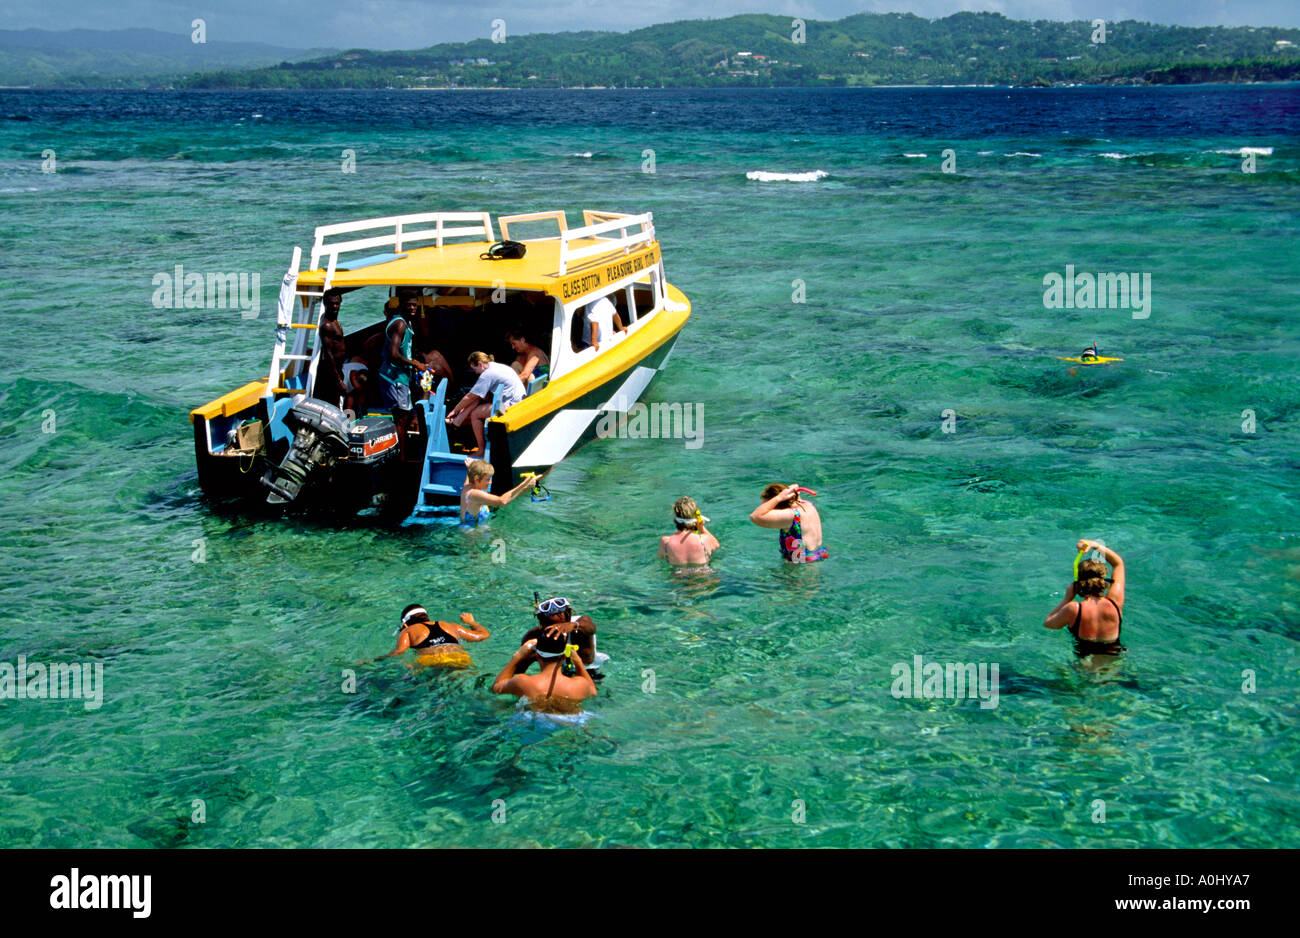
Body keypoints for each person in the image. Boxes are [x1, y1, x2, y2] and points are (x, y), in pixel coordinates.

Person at [1044, 540, 1127, 657]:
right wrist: (1095, 545)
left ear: (1078, 583)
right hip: (1114, 655)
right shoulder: (1115, 601)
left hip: (1086, 660)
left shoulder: (1073, 609)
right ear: (1103, 580)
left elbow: (1048, 623)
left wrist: (1067, 598)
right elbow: (1118, 564)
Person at [491, 625, 597, 713]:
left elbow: (496, 687)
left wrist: (517, 656)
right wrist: (578, 662)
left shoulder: (522, 682)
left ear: (537, 656)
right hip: (572, 721)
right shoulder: (580, 684)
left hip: (534, 721)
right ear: (565, 656)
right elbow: (593, 691)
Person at [378, 294, 434, 457]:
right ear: (402, 305)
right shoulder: (400, 325)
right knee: (401, 419)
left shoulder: (406, 323)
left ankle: (402, 454)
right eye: (409, 305)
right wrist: (415, 364)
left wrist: (415, 363)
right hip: (394, 378)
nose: (412, 308)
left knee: (405, 415)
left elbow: (404, 351)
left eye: (415, 305)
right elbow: (393, 353)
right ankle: (400, 458)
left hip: (401, 376)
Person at [445, 351, 526, 458]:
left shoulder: (488, 374)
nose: (476, 373)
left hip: (509, 407)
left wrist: (455, 410)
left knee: (475, 414)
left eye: (475, 369)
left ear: (480, 364)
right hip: (518, 402)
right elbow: (479, 396)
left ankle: (481, 449)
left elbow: (470, 396)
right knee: (479, 397)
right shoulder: (497, 366)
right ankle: (458, 421)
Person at [373, 604, 491, 668]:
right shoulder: (451, 626)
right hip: (460, 658)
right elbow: (483, 635)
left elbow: (399, 652)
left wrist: (377, 659)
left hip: (430, 662)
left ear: (405, 623)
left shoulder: (408, 631)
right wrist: (471, 622)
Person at [518, 596, 605, 681]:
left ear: (569, 616)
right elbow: (520, 667)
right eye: (551, 627)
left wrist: (574, 625)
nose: (558, 631)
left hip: (589, 672)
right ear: (542, 624)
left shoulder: (580, 624)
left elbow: (591, 627)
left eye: (561, 627)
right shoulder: (534, 635)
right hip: (557, 673)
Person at [749, 483, 828, 563]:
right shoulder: (807, 505)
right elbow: (795, 494)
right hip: (819, 555)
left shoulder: (790, 515)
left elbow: (755, 516)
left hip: (801, 567)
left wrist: (778, 498)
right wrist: (791, 490)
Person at [460, 459, 544, 527]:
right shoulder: (475, 495)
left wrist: (472, 466)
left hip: (469, 530)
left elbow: (471, 473)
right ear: (476, 479)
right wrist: (524, 484)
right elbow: (502, 501)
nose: (490, 482)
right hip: (474, 537)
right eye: (487, 479)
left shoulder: (466, 487)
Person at [659, 496, 720, 567]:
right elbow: (716, 545)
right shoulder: (704, 540)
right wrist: (701, 528)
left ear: (675, 520)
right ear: (697, 519)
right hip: (704, 574)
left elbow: (661, 559)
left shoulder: (665, 542)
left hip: (678, 576)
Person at [317, 288, 348, 407]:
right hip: (331, 371)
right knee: (333, 402)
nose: (335, 306)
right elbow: (328, 354)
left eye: (337, 303)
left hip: (339, 367)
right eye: (331, 303)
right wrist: (338, 380)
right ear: (325, 304)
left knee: (337, 399)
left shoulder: (334, 320)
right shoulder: (327, 325)